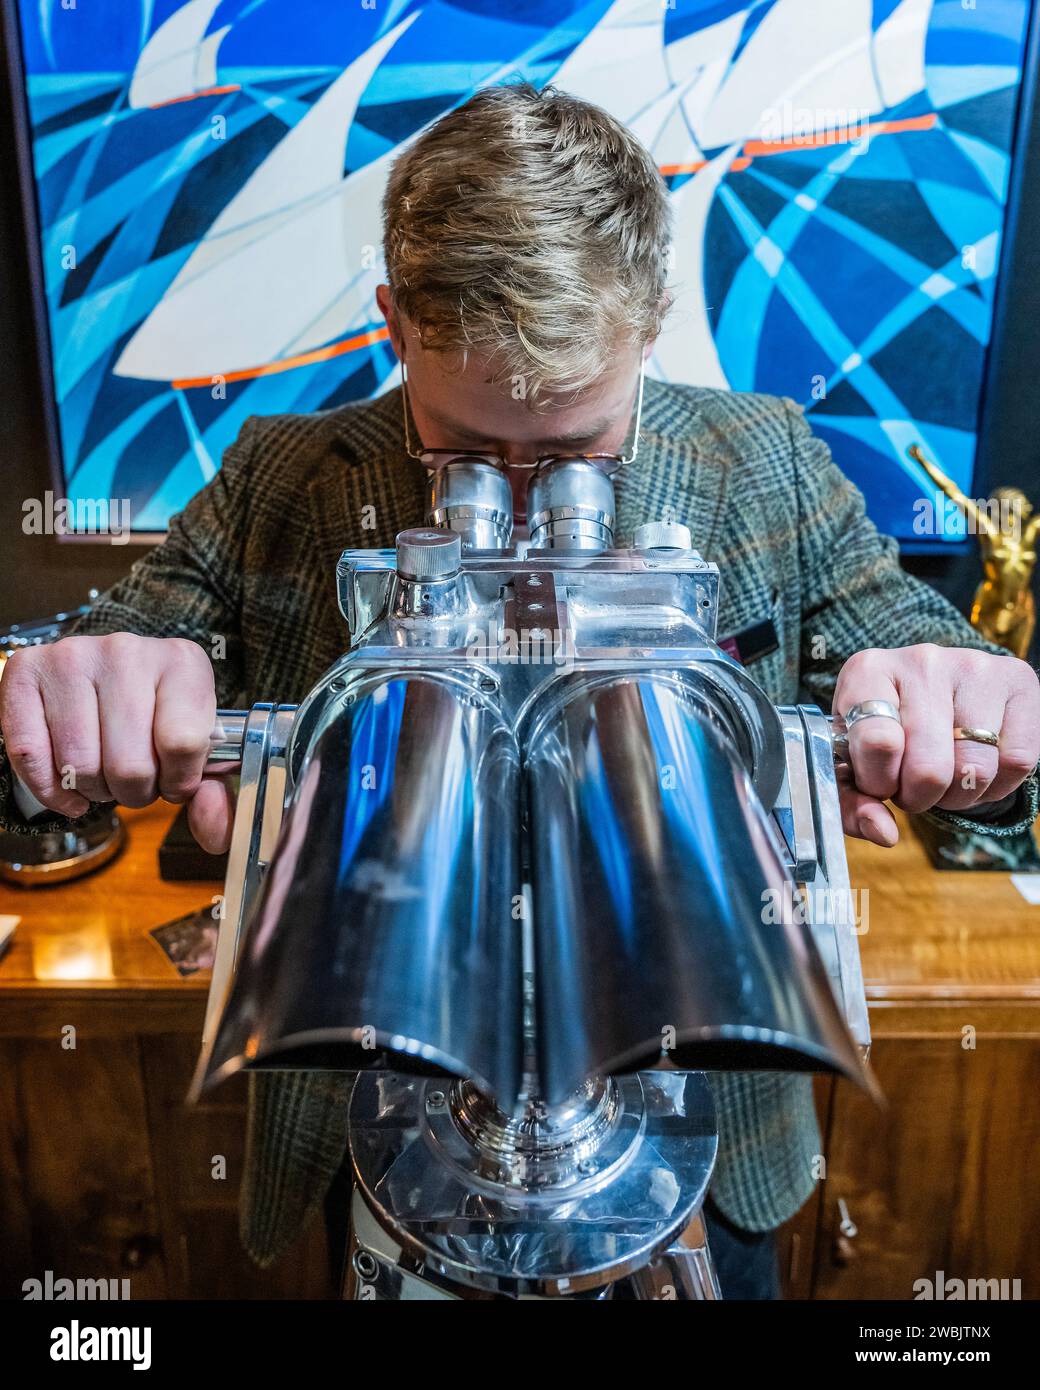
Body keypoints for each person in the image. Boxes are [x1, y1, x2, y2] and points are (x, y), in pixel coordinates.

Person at [1, 84, 1037, 1299]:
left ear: (650, 319)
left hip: (698, 1146)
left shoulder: (761, 456)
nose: (517, 496)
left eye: (574, 457)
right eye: (463, 454)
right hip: (387, 1131)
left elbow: (950, 720)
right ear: (394, 320)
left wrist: (956, 706)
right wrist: (73, 690)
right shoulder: (282, 472)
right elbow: (93, 685)